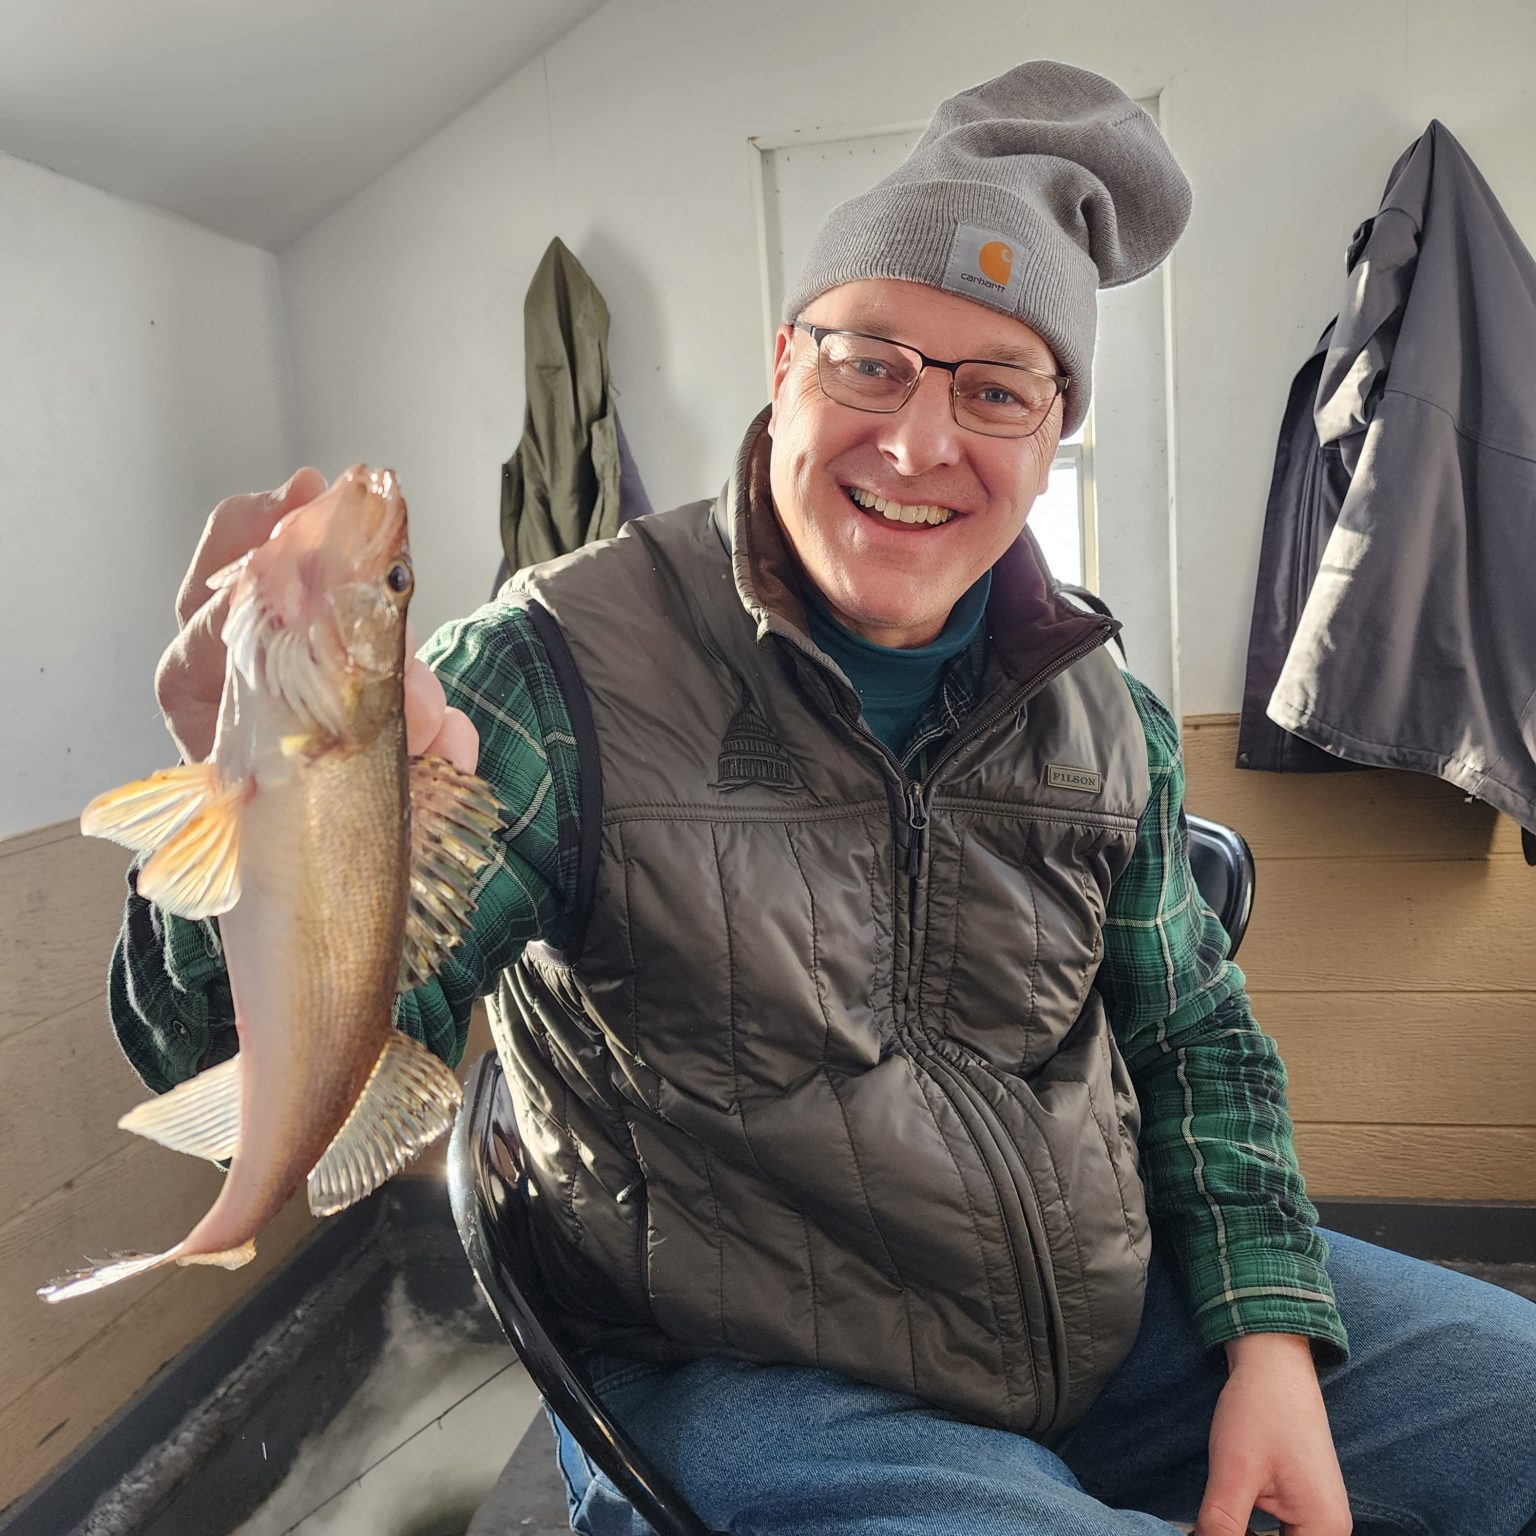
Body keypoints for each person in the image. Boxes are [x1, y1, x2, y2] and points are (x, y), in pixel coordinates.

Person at [115, 61, 1534, 1536]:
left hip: (1112, 1318)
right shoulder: (550, 673)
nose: (920, 444)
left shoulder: (1104, 708)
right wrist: (259, 804)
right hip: (756, 1373)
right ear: (785, 360)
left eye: (997, 390)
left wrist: (1272, 1338)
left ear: (1052, 431)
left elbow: (1192, 1039)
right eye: (871, 362)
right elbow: (259, 1056)